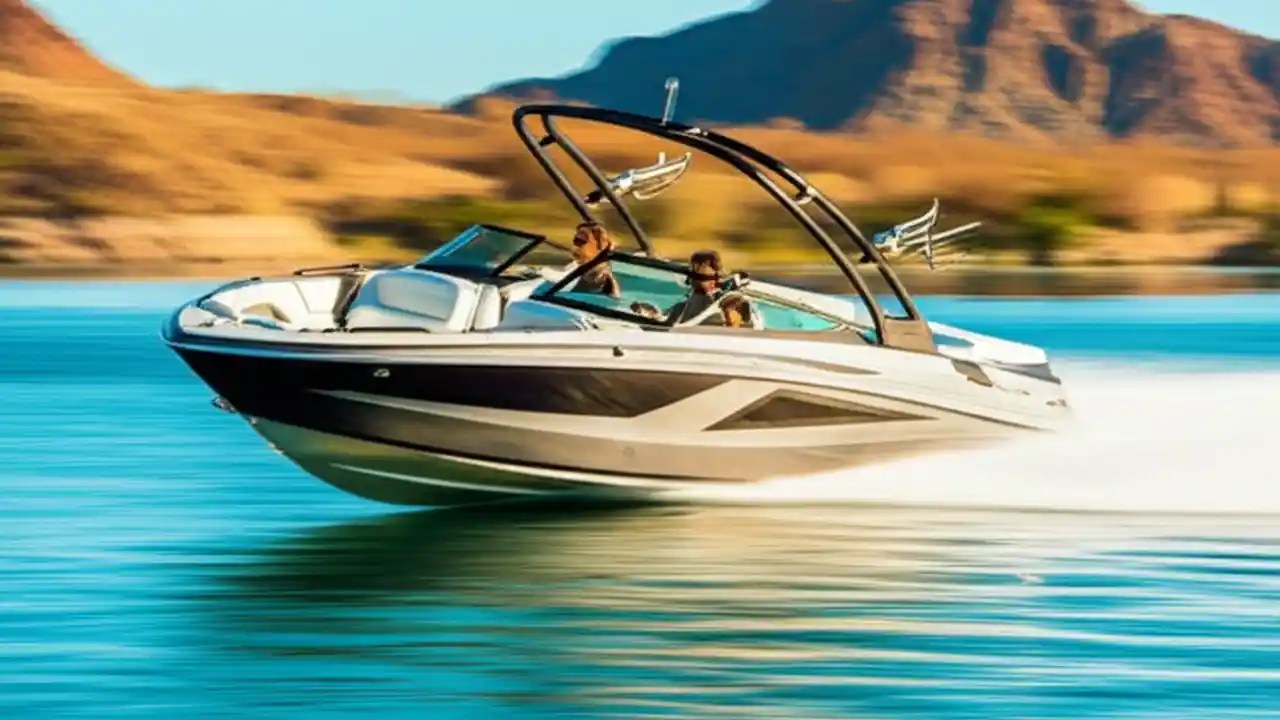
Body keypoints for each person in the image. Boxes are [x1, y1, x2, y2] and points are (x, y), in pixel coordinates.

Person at [568, 221, 620, 297]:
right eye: (576, 240)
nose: (574, 247)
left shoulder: (606, 281)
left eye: (581, 240)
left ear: (601, 244)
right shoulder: (574, 270)